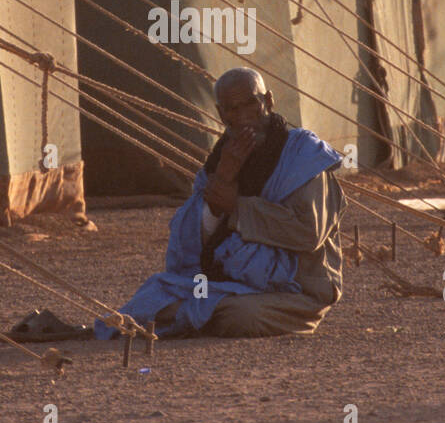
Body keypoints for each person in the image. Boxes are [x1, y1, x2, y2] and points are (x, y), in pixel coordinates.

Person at [95, 67, 344, 339]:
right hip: (232, 283)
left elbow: (308, 233)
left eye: (251, 103)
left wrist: (237, 207)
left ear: (268, 101)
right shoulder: (220, 162)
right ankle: (189, 314)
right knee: (155, 291)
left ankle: (189, 316)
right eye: (231, 110)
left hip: (294, 291)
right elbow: (186, 242)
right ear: (220, 113)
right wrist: (221, 187)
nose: (243, 117)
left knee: (239, 314)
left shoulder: (303, 155)